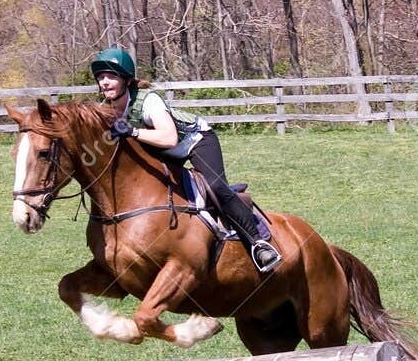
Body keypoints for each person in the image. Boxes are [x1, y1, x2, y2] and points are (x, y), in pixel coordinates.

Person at [90, 47, 283, 274]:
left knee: (215, 186)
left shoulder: (148, 100)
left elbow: (169, 138)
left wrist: (132, 132)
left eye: (111, 76)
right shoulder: (107, 109)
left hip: (196, 142)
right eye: (101, 77)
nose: (105, 82)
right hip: (162, 152)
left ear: (126, 79)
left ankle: (259, 242)